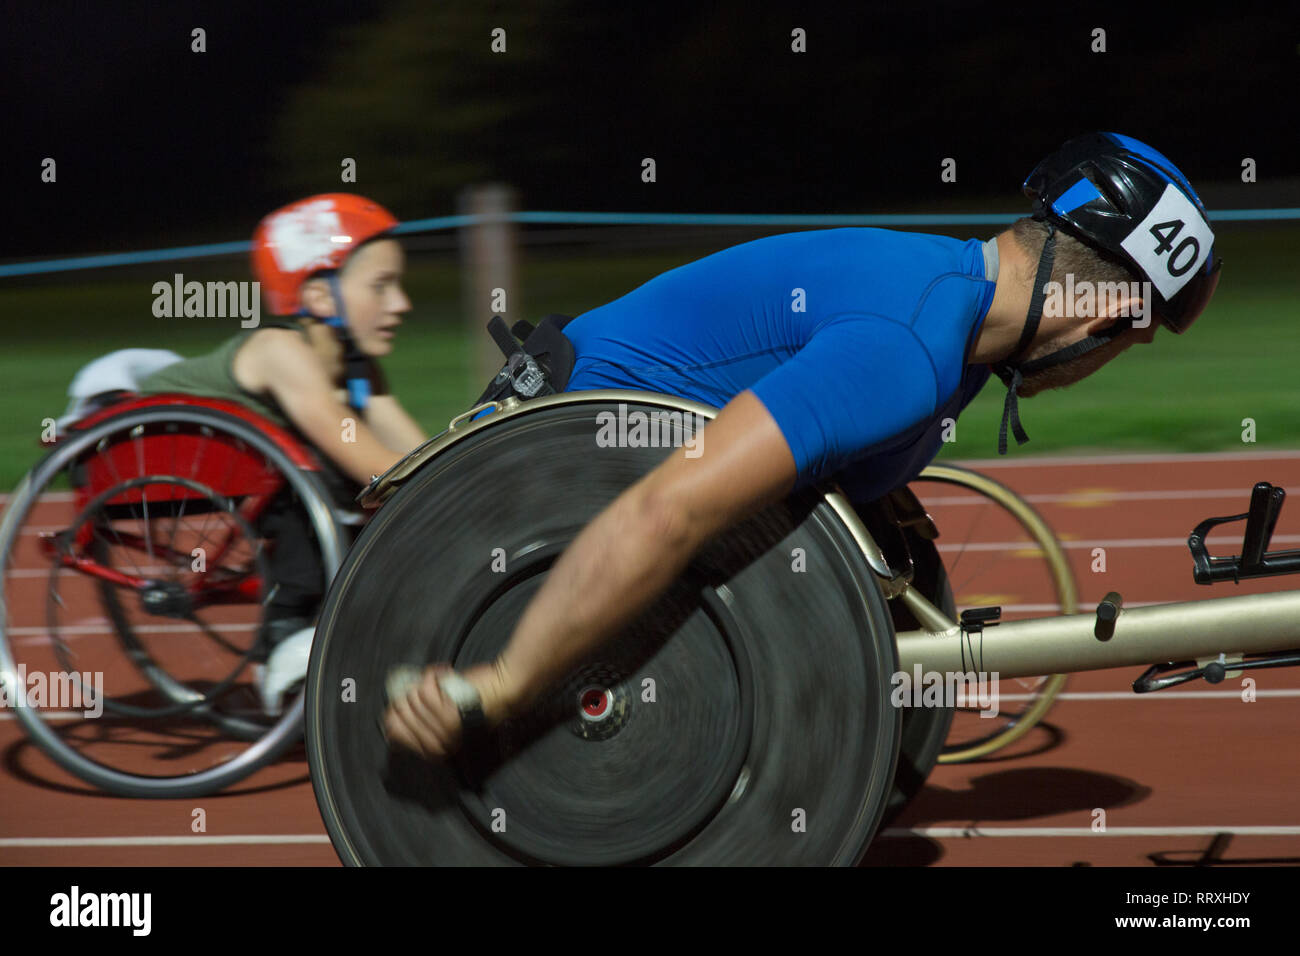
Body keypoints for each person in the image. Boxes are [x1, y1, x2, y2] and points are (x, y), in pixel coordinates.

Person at [382, 132, 1221, 758]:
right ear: (1104, 317)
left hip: (591, 453)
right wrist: (501, 684)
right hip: (540, 481)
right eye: (1127, 344)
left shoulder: (957, 315)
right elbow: (669, 510)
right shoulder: (906, 350)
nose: (1105, 364)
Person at [138, 193, 427, 709]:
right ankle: (288, 634)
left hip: (254, 468)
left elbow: (419, 454)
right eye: (382, 287)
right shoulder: (282, 352)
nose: (402, 303)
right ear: (318, 298)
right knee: (330, 486)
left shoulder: (360, 369)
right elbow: (380, 471)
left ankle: (316, 633)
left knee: (329, 486)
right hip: (150, 448)